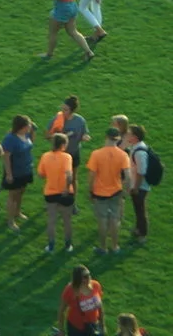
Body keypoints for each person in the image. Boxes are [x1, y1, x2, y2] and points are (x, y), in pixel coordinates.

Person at [90, 125, 134, 254]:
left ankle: (103, 247)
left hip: (99, 192)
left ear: (106, 137)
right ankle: (115, 247)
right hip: (116, 191)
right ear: (118, 138)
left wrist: (90, 190)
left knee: (102, 220)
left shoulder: (96, 154)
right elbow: (128, 176)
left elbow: (92, 175)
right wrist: (126, 190)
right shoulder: (123, 155)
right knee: (114, 219)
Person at [4, 114, 39, 233]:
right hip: (15, 171)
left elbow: (31, 144)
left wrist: (33, 130)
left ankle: (17, 212)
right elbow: (6, 158)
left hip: (26, 169)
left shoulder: (26, 134)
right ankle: (10, 221)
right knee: (13, 195)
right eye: (28, 126)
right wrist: (9, 174)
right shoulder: (10, 139)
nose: (30, 127)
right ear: (21, 127)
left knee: (21, 191)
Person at [61, 264, 105, 336]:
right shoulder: (70, 290)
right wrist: (61, 330)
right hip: (76, 327)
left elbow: (100, 306)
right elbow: (61, 311)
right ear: (78, 279)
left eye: (89, 275)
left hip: (93, 325)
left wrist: (102, 324)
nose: (88, 278)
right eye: (85, 276)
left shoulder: (96, 285)